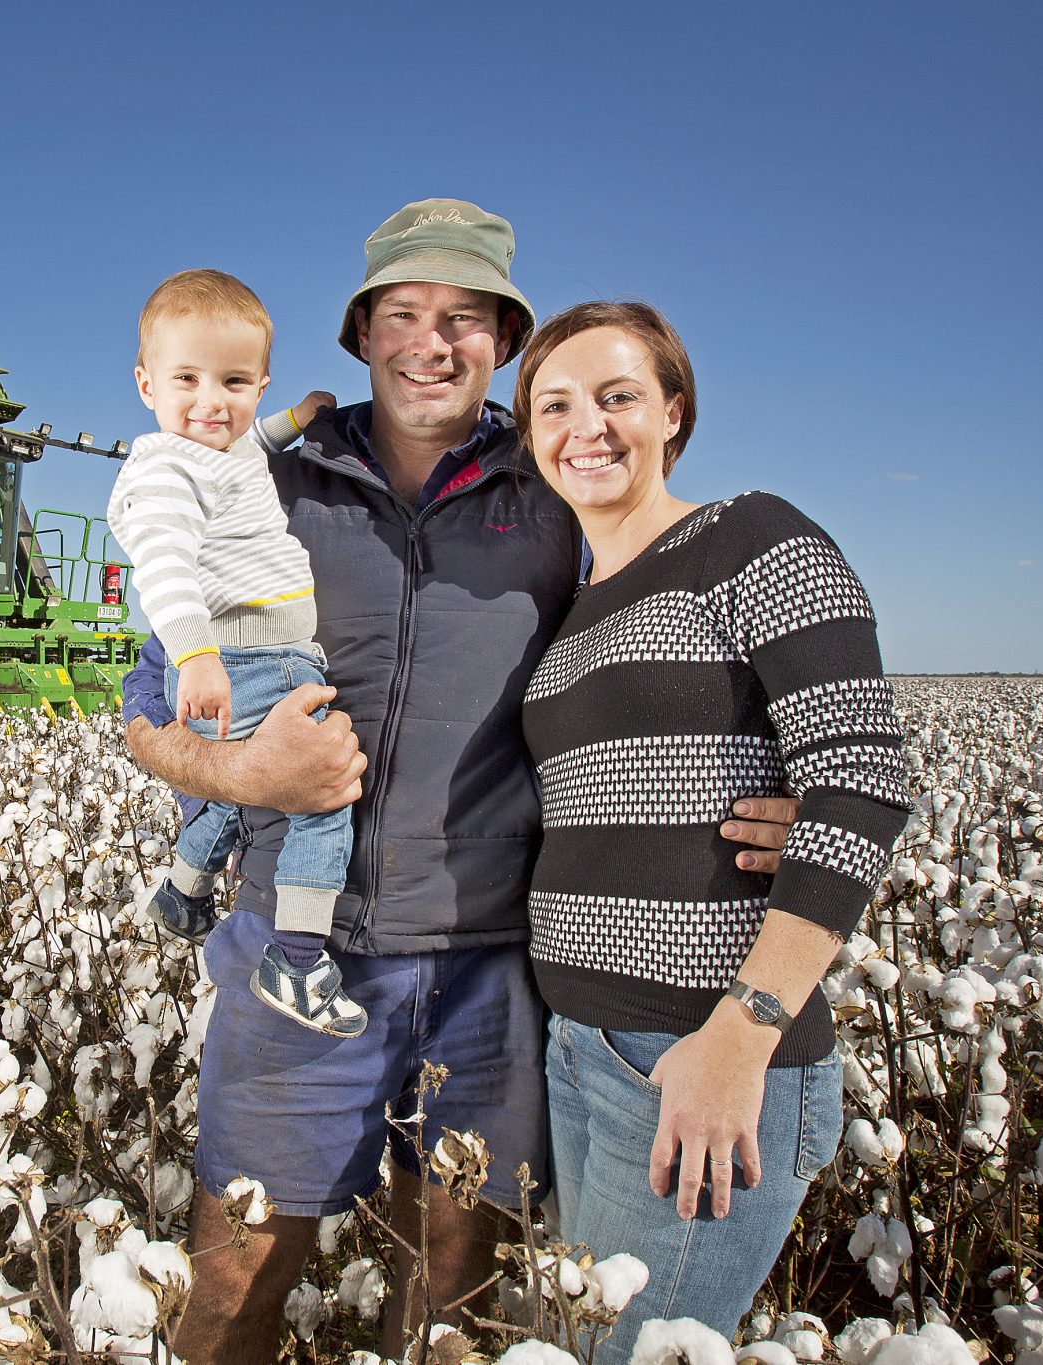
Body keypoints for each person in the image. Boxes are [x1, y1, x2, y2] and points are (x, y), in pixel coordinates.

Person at [119, 201, 803, 1363]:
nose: (431, 343)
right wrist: (243, 769)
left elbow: (655, 651)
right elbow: (142, 717)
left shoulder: (554, 498)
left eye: (464, 319)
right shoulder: (260, 487)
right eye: (403, 315)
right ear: (361, 336)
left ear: (500, 342)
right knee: (231, 1286)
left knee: (450, 1305)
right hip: (298, 958)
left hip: (491, 975)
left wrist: (761, 787)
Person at [511, 300, 909, 1352]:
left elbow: (858, 776)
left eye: (616, 397)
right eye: (554, 405)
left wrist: (742, 1032)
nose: (583, 427)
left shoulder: (749, 536)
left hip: (704, 1052)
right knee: (584, 1335)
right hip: (579, 1046)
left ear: (672, 412)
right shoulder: (573, 606)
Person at [106, 269, 363, 1036]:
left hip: (265, 651)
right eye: (187, 379)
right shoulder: (165, 468)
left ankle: (185, 886)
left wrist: (298, 417)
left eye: (235, 381)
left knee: (233, 788)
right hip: (250, 655)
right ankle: (298, 957)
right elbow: (164, 566)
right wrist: (196, 656)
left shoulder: (222, 445)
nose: (212, 402)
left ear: (259, 383)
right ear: (147, 383)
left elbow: (252, 441)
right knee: (322, 795)